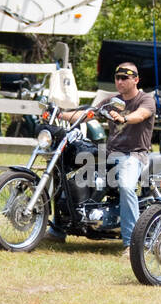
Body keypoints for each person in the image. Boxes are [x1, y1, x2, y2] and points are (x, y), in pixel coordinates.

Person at [61, 62, 154, 256]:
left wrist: (124, 118)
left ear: (135, 79)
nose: (119, 81)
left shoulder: (145, 100)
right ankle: (58, 228)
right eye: (117, 78)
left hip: (134, 155)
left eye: (124, 78)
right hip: (109, 154)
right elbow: (87, 114)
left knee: (127, 186)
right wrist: (60, 113)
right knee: (70, 178)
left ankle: (132, 244)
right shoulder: (111, 100)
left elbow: (141, 115)